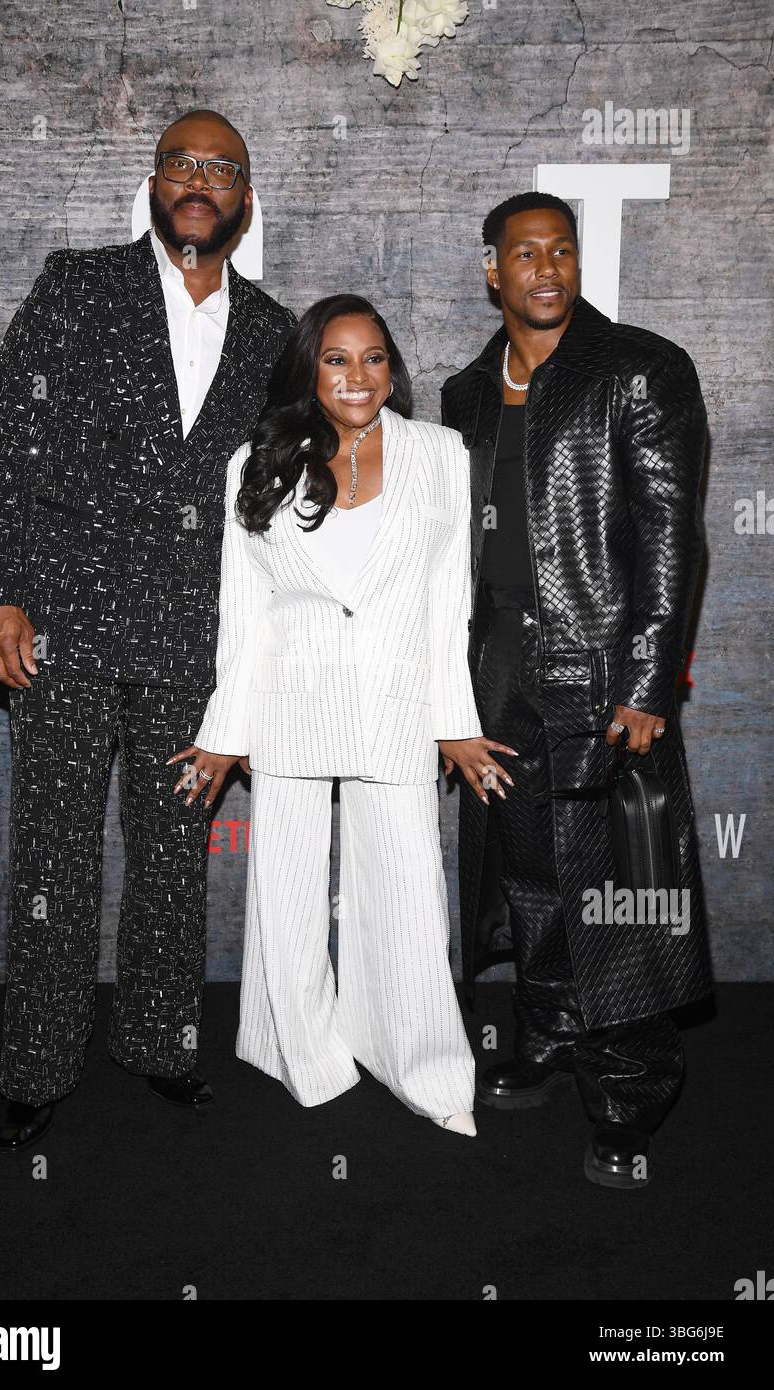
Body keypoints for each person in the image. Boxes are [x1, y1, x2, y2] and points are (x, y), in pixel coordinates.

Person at [0, 109, 296, 1151]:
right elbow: (8, 442)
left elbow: (287, 491)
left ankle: (158, 1041)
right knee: (54, 854)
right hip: (60, 623)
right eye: (181, 163)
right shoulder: (77, 285)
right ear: (153, 182)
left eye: (221, 169)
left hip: (194, 634)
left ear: (243, 201)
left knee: (172, 855)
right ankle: (37, 1064)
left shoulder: (271, 332)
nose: (199, 181)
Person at [169, 297, 506, 1133]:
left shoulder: (440, 455)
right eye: (335, 359)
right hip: (289, 697)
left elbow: (445, 603)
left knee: (407, 888)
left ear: (393, 369)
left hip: (396, 699)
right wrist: (224, 731)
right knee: (283, 887)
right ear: (307, 370)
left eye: (374, 358)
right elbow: (243, 610)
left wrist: (451, 720)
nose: (357, 376)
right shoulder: (258, 459)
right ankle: (301, 1052)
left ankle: (418, 1062)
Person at [442, 192, 713, 1186]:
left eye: (561, 250)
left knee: (619, 888)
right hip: (498, 670)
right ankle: (553, 1029)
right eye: (524, 253)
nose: (545, 267)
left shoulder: (638, 369)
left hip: (603, 671)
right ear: (491, 270)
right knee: (526, 869)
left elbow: (671, 534)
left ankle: (630, 1084)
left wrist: (647, 680)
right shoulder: (466, 391)